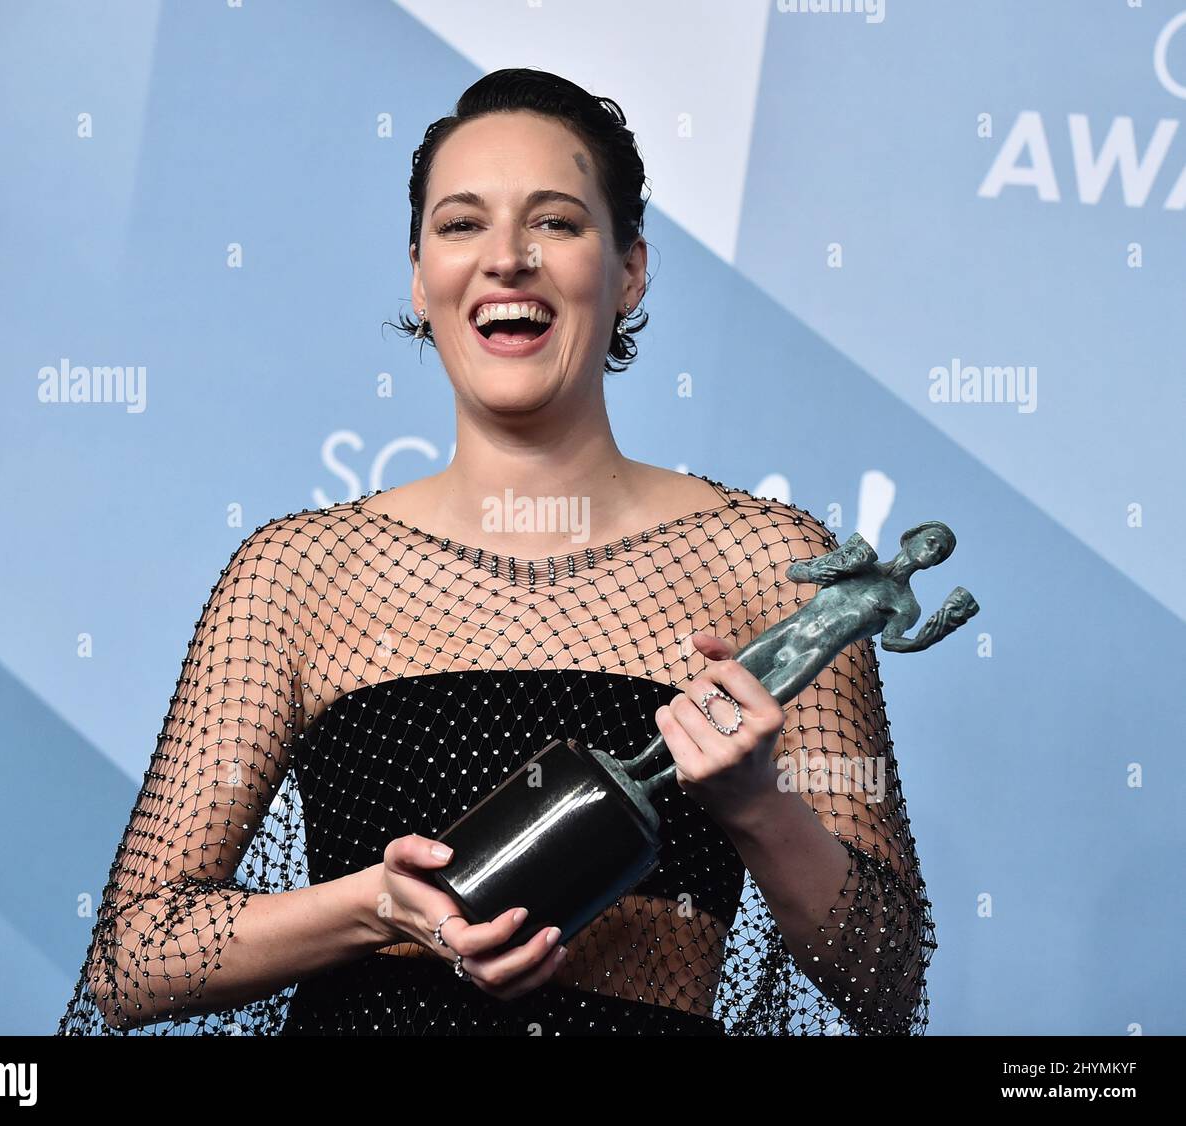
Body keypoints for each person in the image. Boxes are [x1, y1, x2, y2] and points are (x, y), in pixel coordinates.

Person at [58, 67, 936, 1037]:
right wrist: (373, 906)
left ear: (630, 269)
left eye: (556, 222)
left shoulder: (768, 565)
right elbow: (132, 960)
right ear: (419, 274)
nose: (506, 258)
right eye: (462, 223)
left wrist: (758, 807)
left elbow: (887, 982)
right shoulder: (296, 574)